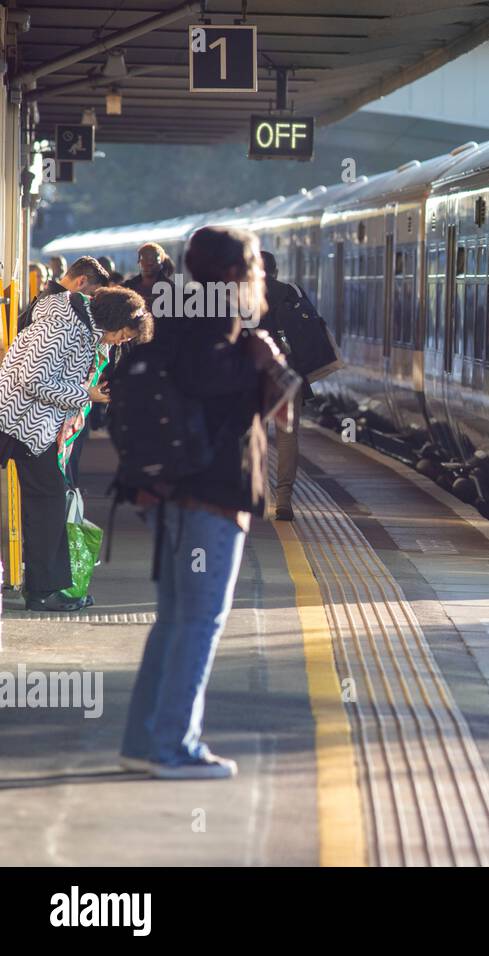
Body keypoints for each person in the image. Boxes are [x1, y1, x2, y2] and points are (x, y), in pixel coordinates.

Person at [117, 225, 293, 779]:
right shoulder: (223, 325)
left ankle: (145, 740)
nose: (260, 274)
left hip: (168, 489)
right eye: (254, 266)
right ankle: (175, 747)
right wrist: (260, 361)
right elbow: (219, 393)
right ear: (236, 272)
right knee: (200, 622)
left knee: (174, 620)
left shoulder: (174, 314)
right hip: (208, 493)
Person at [0, 285, 151, 611]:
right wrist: (87, 395)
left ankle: (44, 590)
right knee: (48, 500)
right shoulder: (63, 327)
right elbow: (32, 379)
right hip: (15, 419)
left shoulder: (84, 328)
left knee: (49, 499)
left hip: (32, 425)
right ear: (113, 318)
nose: (122, 341)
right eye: (124, 334)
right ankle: (43, 590)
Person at [258, 250, 318, 521]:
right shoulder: (290, 292)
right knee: (287, 436)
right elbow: (311, 333)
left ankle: (257, 496)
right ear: (276, 271)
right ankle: (283, 499)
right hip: (286, 376)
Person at [17, 255, 109, 335]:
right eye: (91, 294)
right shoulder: (56, 306)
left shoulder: (48, 299)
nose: (90, 301)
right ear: (81, 281)